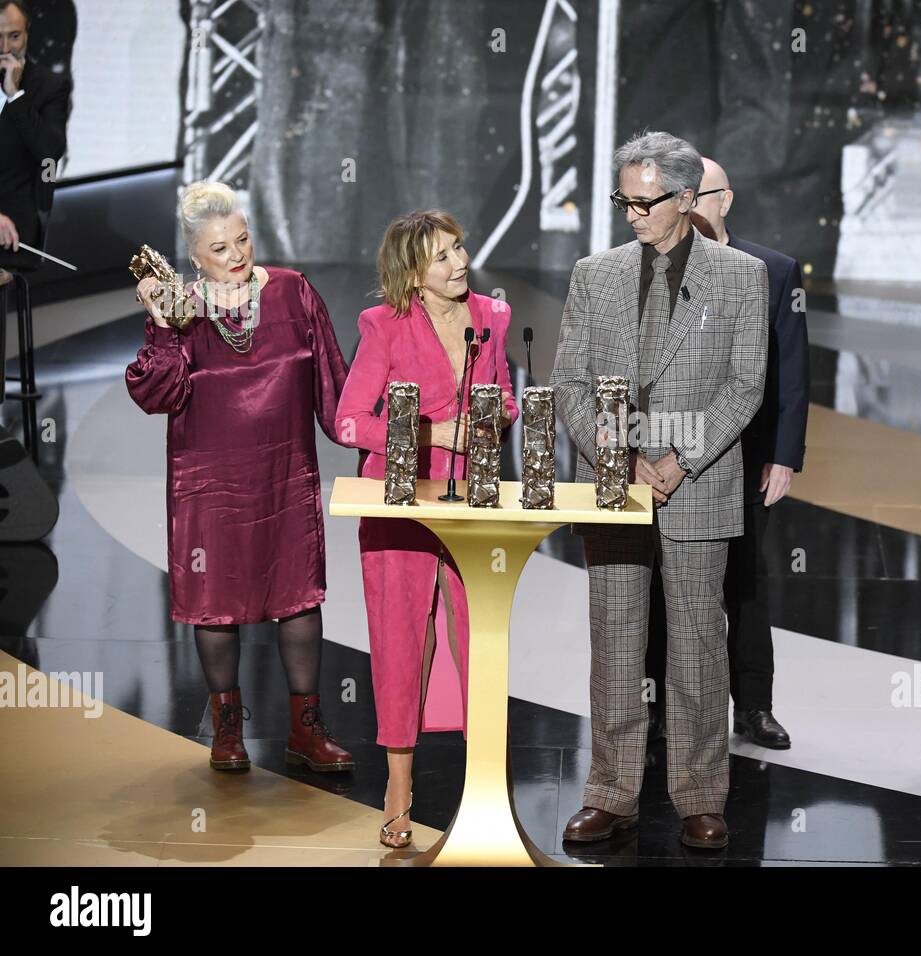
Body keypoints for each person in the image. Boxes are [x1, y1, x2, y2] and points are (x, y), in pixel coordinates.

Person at [552, 130, 768, 849]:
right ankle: (611, 794)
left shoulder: (740, 275)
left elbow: (746, 384)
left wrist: (681, 460)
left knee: (700, 645)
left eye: (644, 202)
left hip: (697, 484)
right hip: (614, 484)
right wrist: (618, 455)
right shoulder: (595, 273)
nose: (632, 214)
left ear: (683, 199)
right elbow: (572, 383)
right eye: (624, 200)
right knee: (615, 641)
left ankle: (701, 797)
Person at [125, 180, 354, 777]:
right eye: (219, 247)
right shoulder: (183, 308)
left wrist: (386, 438)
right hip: (209, 481)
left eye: (243, 240)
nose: (236, 254)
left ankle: (306, 730)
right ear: (195, 257)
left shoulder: (293, 293)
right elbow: (158, 393)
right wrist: (162, 320)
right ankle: (228, 731)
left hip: (283, 473)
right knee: (214, 601)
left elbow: (334, 384)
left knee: (298, 595)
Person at [334, 210, 518, 849]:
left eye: (460, 248)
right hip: (401, 498)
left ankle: (485, 787)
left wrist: (494, 419)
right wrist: (429, 432)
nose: (459, 262)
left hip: (474, 497)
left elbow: (505, 398)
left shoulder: (492, 318)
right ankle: (398, 788)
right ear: (413, 273)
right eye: (441, 257)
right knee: (401, 640)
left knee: (479, 636)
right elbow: (349, 422)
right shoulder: (383, 324)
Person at [645, 156, 809, 750]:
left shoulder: (773, 270)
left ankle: (755, 707)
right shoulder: (649, 265)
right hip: (661, 458)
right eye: (676, 195)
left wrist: (785, 455)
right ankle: (657, 704)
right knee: (661, 581)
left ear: (725, 199)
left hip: (744, 457)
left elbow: (792, 372)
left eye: (699, 194)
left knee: (746, 583)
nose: (687, 205)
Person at [0, 0, 71, 283]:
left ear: (27, 33)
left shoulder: (49, 86)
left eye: (14, 36)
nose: (5, 48)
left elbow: (49, 153)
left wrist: (15, 95)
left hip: (14, 229)